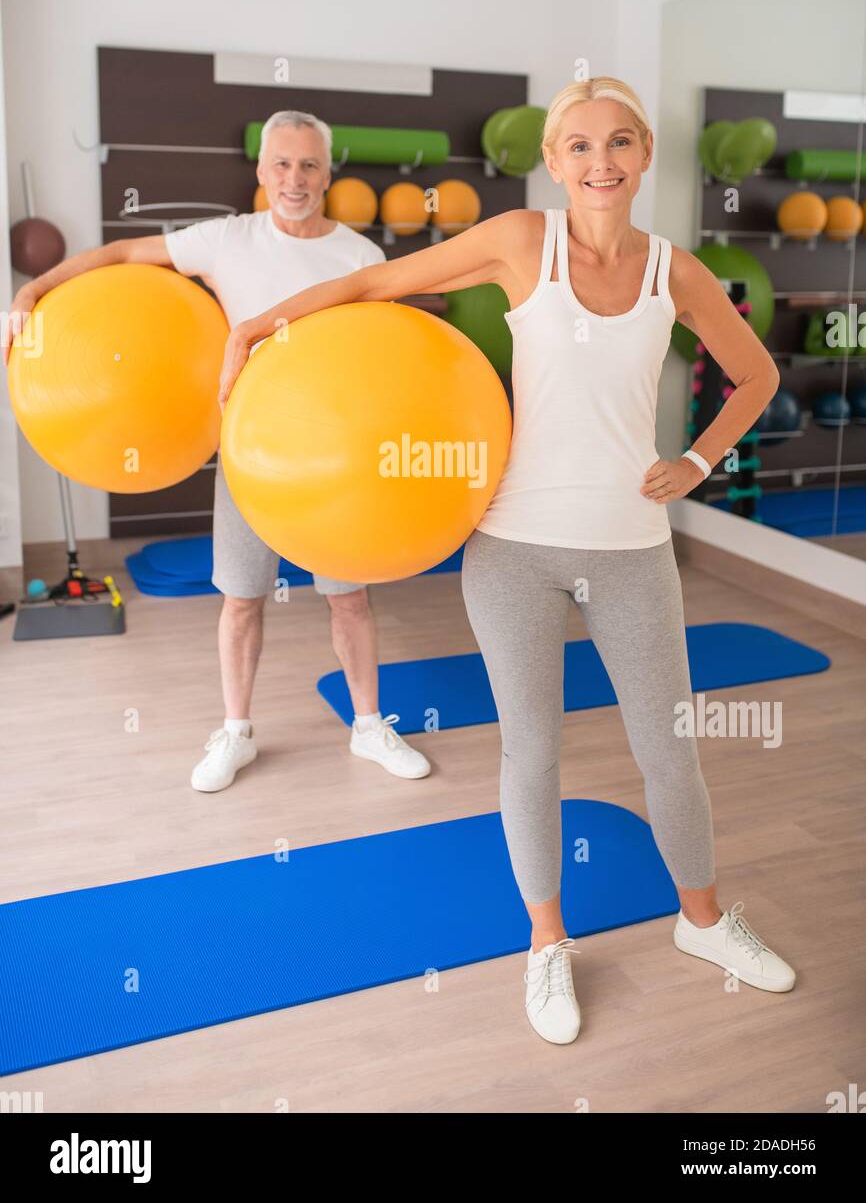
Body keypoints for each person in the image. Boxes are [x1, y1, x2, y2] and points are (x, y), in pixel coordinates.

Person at [217, 77, 797, 1045]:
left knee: (669, 751)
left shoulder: (674, 272)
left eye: (617, 144)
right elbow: (374, 284)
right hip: (512, 548)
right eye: (577, 146)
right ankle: (544, 944)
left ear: (644, 153)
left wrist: (695, 461)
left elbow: (758, 373)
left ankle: (701, 922)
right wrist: (253, 325)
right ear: (553, 160)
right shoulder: (520, 241)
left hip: (630, 550)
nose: (599, 163)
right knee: (531, 750)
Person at [2, 110, 432, 790]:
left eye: (310, 165)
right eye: (282, 164)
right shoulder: (225, 240)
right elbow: (118, 257)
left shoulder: (360, 255)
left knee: (349, 599)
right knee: (241, 597)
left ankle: (369, 726)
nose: (296, 179)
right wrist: (30, 290)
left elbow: (381, 359)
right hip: (248, 451)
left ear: (329, 172)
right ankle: (236, 733)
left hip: (337, 458)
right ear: (262, 171)